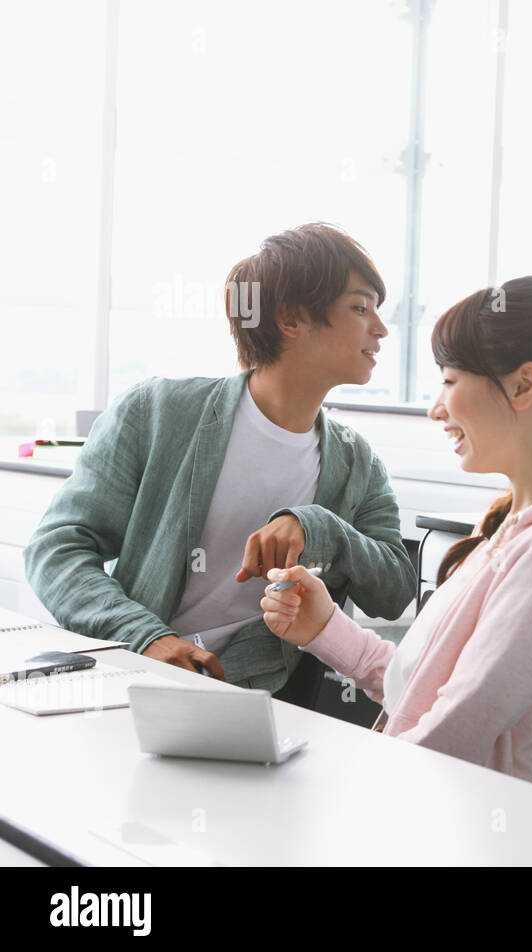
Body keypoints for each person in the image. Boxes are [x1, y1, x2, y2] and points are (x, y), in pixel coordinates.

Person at [259, 276, 532, 792]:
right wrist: (324, 627)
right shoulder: (520, 531)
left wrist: (330, 789)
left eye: (449, 381)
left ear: (523, 386)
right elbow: (426, 690)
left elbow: (451, 735)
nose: (436, 408)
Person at [24, 223, 417, 691]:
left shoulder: (357, 464)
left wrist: (318, 527)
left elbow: (394, 589)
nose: (381, 328)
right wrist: (145, 637)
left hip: (259, 700)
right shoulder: (157, 412)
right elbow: (57, 549)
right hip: (132, 678)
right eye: (360, 307)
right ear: (291, 319)